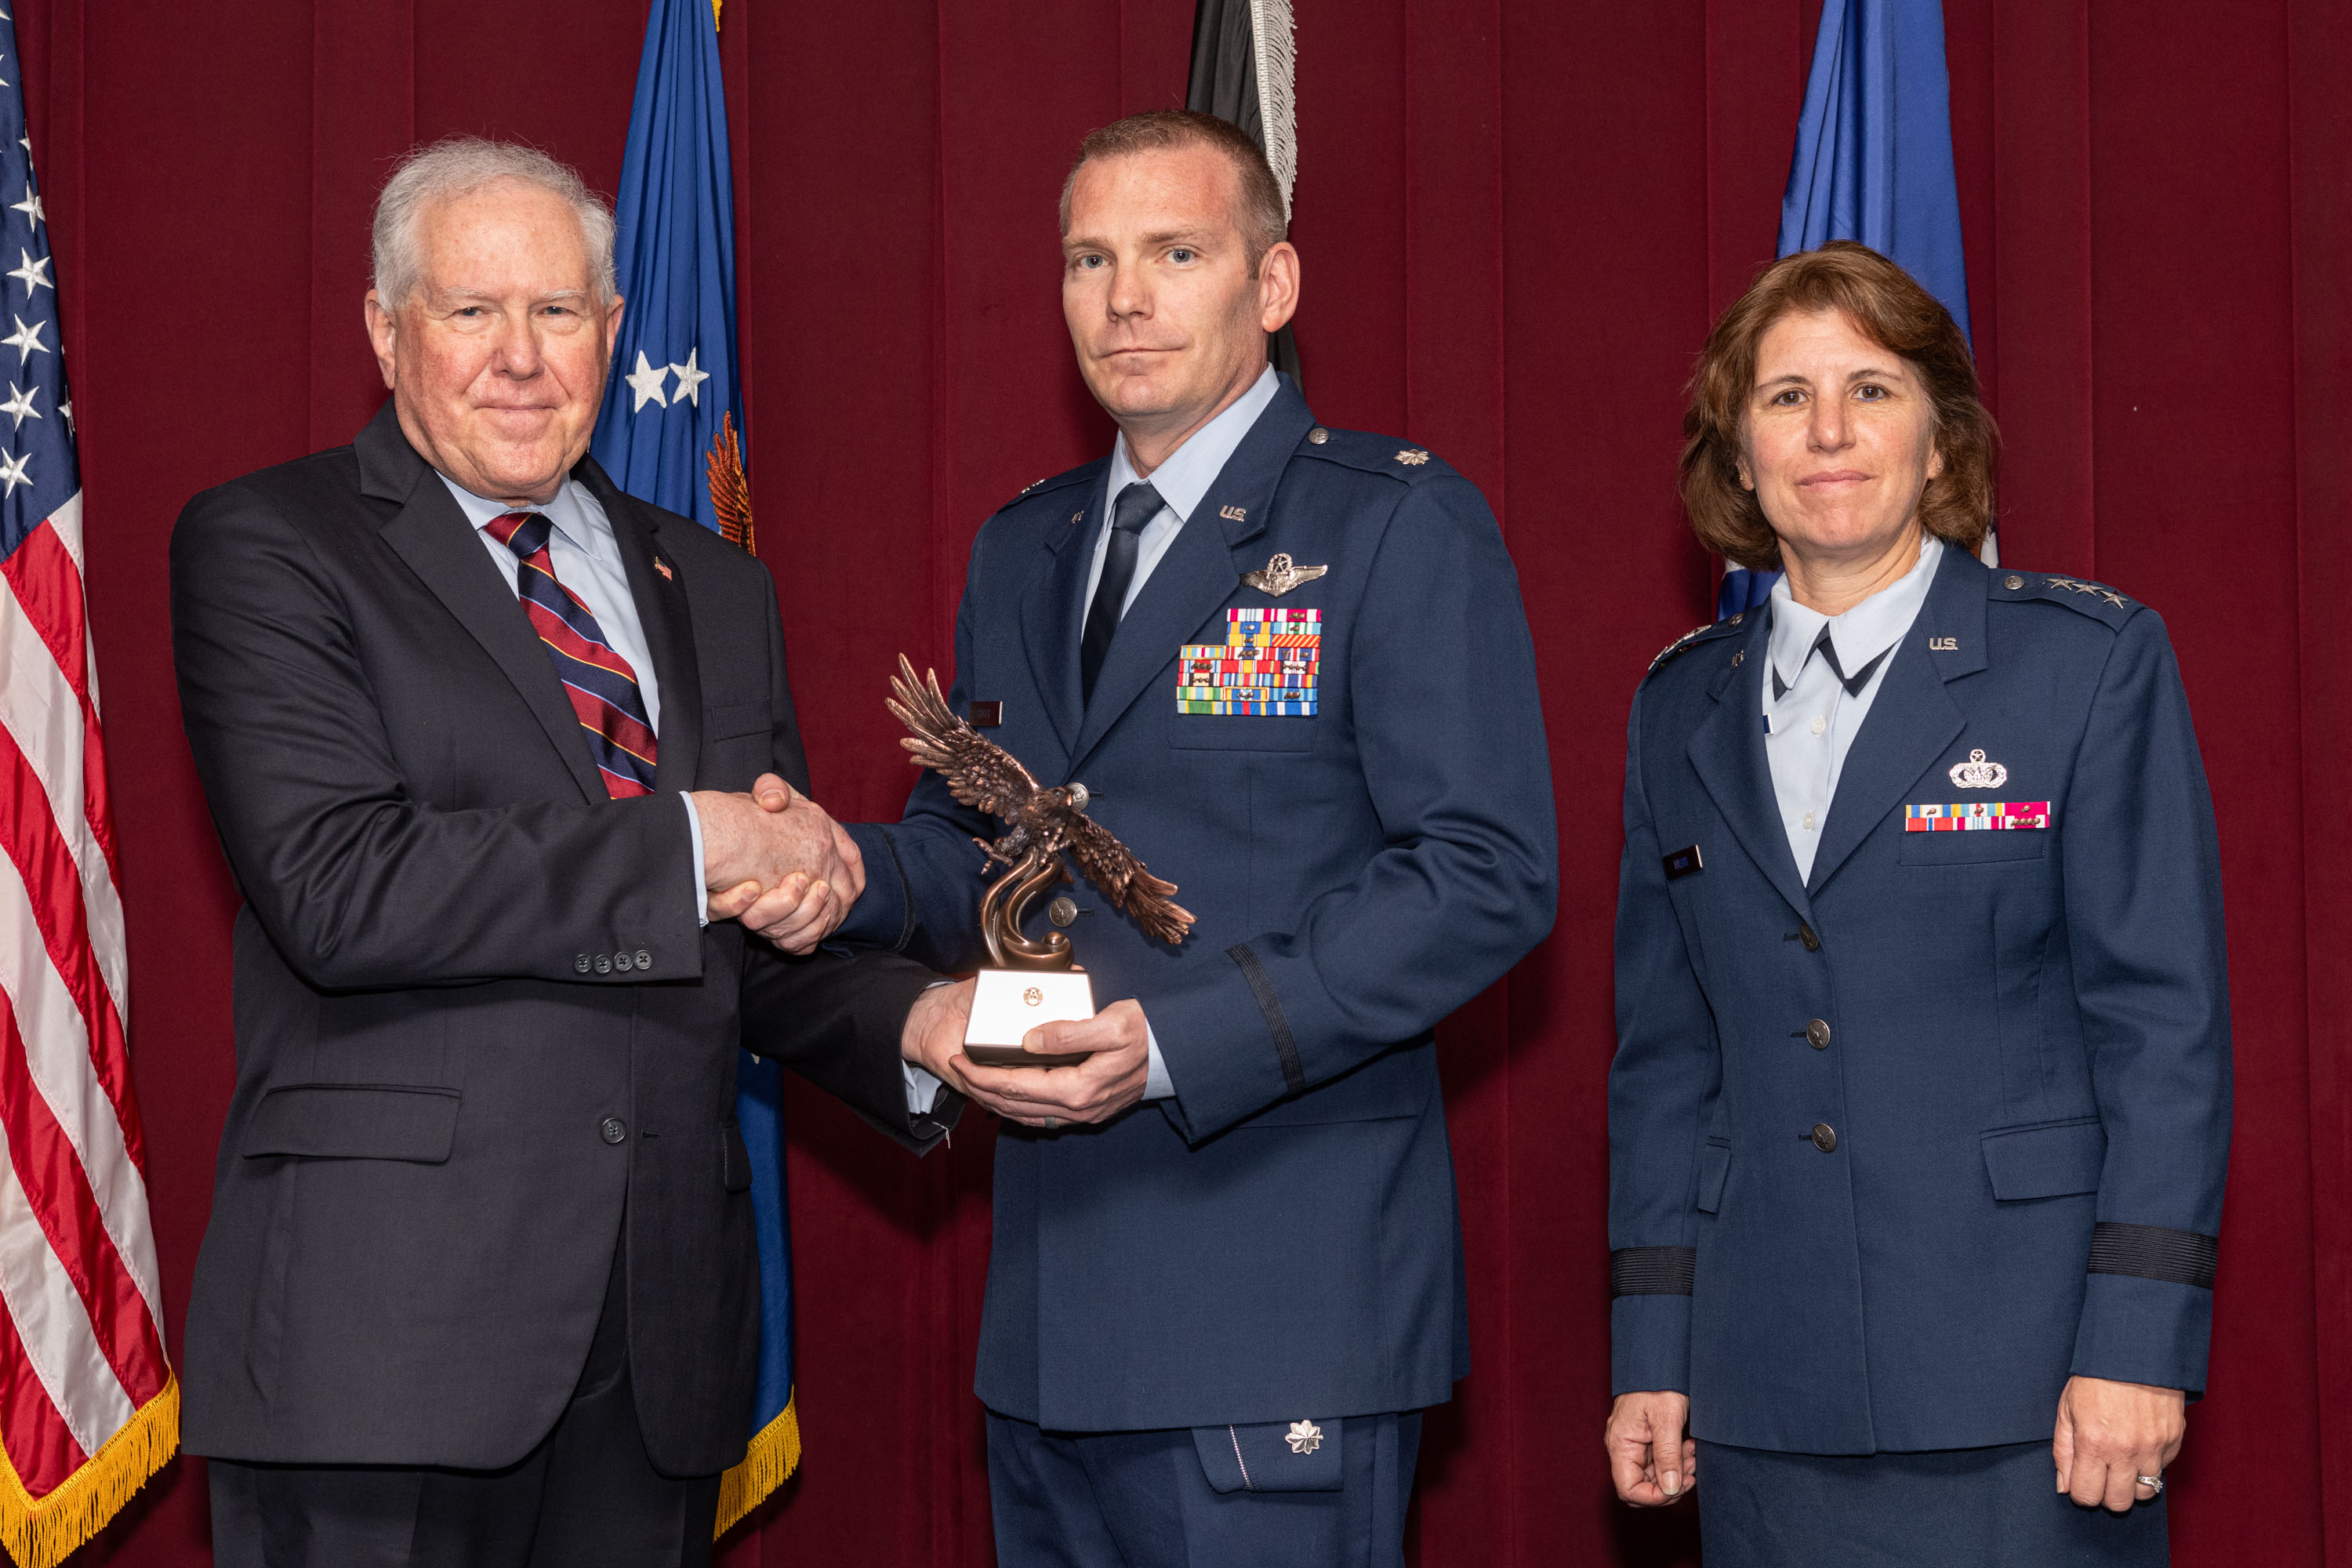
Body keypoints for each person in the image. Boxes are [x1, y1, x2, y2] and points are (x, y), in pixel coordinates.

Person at [170, 138, 967, 1568]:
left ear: (611, 334)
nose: (520, 357)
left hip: (652, 1344)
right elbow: (344, 889)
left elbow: (726, 935)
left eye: (558, 314)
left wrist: (912, 1020)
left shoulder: (715, 586)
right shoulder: (270, 545)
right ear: (385, 330)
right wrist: (691, 840)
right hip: (384, 1349)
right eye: (471, 312)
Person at [778, 109, 1555, 1568]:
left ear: (1271, 287)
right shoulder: (1024, 545)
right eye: (1090, 258)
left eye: (1174, 253)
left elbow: (1484, 878)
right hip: (1055, 1318)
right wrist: (835, 867)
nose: (1124, 298)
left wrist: (1181, 1040)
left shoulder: (1392, 525)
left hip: (1278, 1297)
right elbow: (993, 847)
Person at [1603, 240, 2230, 1563]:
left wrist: (2137, 1340)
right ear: (1736, 455)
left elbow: (2163, 1036)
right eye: (1785, 399)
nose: (1829, 432)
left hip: (2034, 1384)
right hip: (1762, 1387)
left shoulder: (2085, 666)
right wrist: (1653, 1350)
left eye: (1872, 391)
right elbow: (1665, 1063)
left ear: (1941, 443)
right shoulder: (1677, 709)